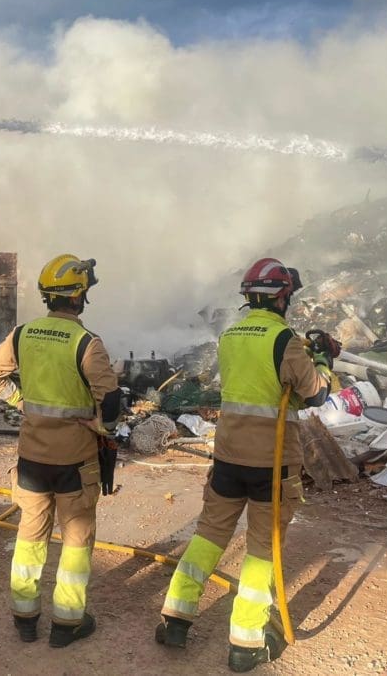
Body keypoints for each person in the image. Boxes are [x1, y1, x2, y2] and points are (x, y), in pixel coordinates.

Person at [154, 257, 340, 672]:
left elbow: (262, 381)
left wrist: (300, 357)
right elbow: (314, 395)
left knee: (209, 534)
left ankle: (175, 618)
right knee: (261, 547)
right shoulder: (285, 340)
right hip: (272, 462)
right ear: (283, 296)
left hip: (228, 456)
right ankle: (246, 642)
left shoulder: (231, 335)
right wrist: (325, 360)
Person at [0, 254, 122, 648]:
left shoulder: (22, 334)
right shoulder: (86, 343)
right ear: (79, 297)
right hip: (75, 463)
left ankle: (25, 618)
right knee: (76, 540)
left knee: (29, 537)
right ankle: (67, 623)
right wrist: (102, 427)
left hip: (31, 459)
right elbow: (110, 401)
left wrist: (24, 404)